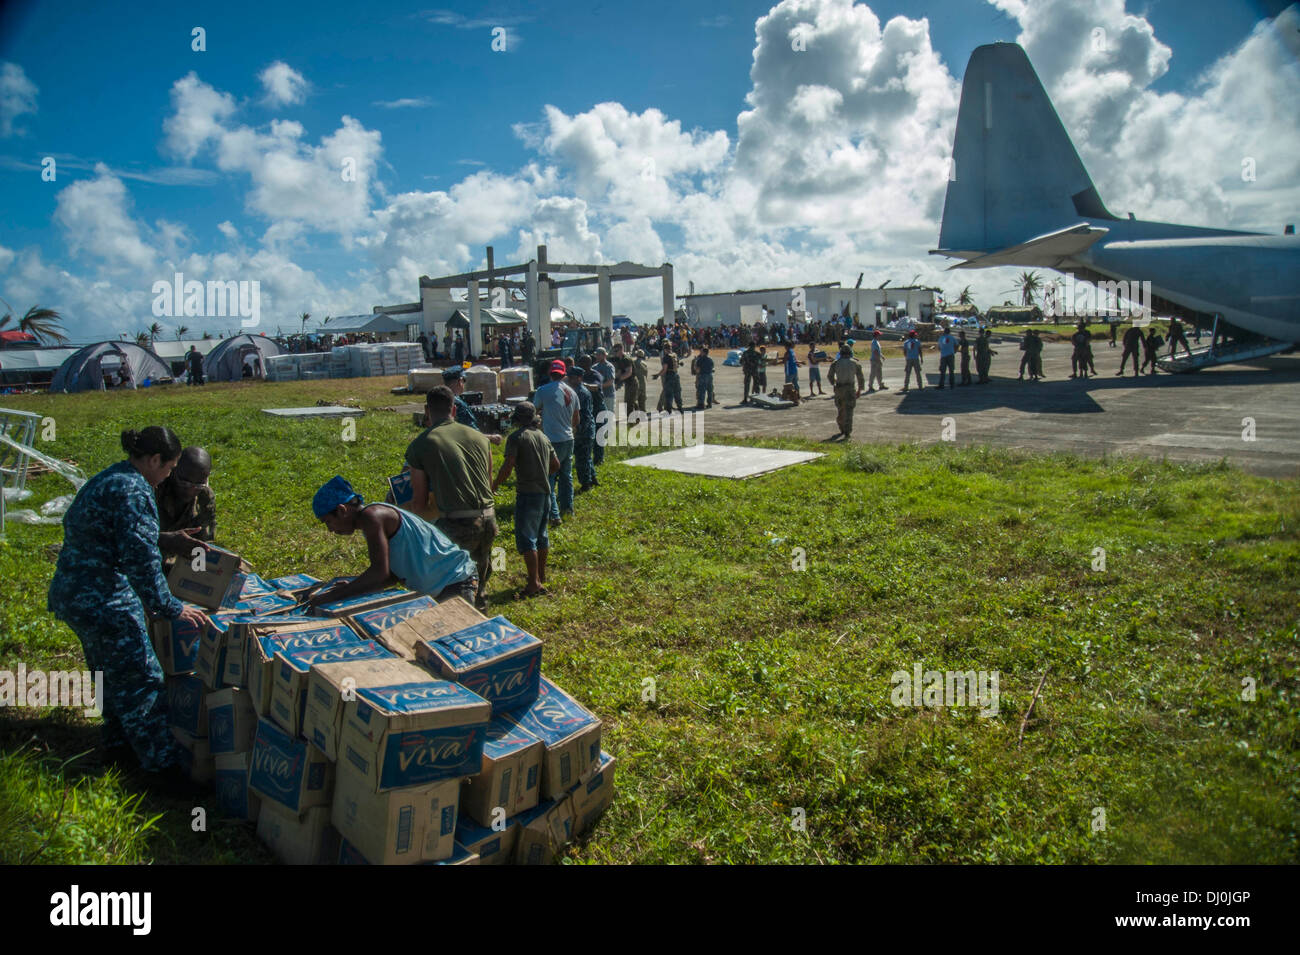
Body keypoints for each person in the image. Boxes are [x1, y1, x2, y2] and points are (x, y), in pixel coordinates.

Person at [47, 426, 211, 780]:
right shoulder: (135, 489)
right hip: (103, 596)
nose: (168, 476)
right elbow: (140, 559)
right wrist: (170, 607)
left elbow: (117, 532)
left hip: (73, 593)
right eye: (169, 468)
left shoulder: (110, 478)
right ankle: (162, 769)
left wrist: (164, 539)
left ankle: (118, 744)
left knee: (106, 671)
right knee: (142, 679)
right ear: (154, 460)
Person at [310, 476, 478, 607]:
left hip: (455, 580)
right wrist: (354, 586)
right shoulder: (372, 521)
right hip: (443, 585)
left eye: (328, 522)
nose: (330, 530)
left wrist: (331, 597)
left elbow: (379, 573)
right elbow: (391, 575)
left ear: (341, 510)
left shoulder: (373, 516)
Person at [402, 386, 498, 609]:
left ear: (427, 411)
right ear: (454, 409)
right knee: (478, 581)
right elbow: (489, 484)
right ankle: (481, 610)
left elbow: (418, 503)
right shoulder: (480, 438)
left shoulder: (421, 444)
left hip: (457, 525)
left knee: (453, 590)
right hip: (488, 521)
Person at [492, 402, 560, 598]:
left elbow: (509, 464)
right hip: (545, 493)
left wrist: (495, 484)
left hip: (528, 494)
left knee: (527, 538)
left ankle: (533, 584)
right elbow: (555, 465)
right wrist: (541, 474)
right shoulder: (543, 437)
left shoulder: (516, 438)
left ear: (518, 418)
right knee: (541, 536)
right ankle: (541, 576)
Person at [535, 359, 579, 525]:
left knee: (549, 477)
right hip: (568, 439)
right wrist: (569, 428)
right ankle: (568, 508)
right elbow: (576, 418)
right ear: (564, 374)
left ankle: (554, 514)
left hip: (551, 440)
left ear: (549, 373)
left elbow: (533, 411)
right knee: (566, 476)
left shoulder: (543, 391)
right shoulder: (572, 392)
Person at [156, 446, 216, 558]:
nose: (190, 490)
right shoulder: (154, 488)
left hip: (178, 564)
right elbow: (126, 537)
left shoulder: (204, 496)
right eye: (184, 482)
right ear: (173, 470)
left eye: (199, 484)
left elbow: (204, 544)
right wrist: (164, 540)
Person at [439, 366, 502, 444]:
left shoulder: (439, 399)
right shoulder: (458, 404)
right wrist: (492, 438)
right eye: (464, 381)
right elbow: (471, 432)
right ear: (460, 381)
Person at [566, 365, 598, 493]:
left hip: (583, 430)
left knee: (581, 459)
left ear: (579, 378)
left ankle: (586, 484)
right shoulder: (579, 390)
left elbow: (580, 415)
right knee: (586, 456)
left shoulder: (579, 392)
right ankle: (592, 478)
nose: (569, 380)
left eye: (572, 377)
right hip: (587, 428)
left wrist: (576, 430)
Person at [827, 343, 865, 440]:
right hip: (850, 389)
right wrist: (860, 390)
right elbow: (861, 378)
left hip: (839, 389)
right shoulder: (855, 363)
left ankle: (841, 426)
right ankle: (847, 432)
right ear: (850, 353)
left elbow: (830, 376)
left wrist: (834, 383)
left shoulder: (835, 363)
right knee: (849, 411)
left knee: (840, 409)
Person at [631, 348, 649, 413]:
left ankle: (635, 412)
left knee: (634, 399)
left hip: (636, 383)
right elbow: (646, 374)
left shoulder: (633, 363)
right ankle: (643, 412)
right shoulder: (644, 364)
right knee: (642, 399)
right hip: (643, 383)